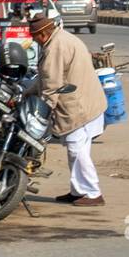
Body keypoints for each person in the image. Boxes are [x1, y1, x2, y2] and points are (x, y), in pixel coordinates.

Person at [28, 15, 109, 206]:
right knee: (77, 150)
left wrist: (42, 112)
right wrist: (26, 92)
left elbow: (51, 84)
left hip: (79, 106)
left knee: (77, 151)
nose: (33, 40)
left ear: (42, 34)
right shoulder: (60, 38)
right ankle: (78, 190)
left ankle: (93, 193)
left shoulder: (56, 47)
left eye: (34, 36)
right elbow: (44, 78)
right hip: (87, 102)